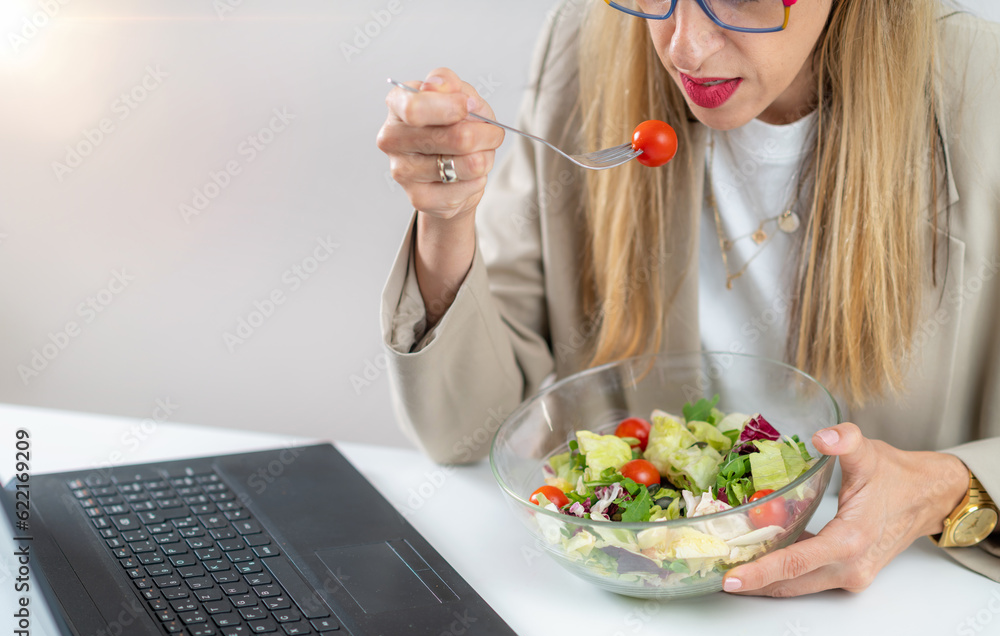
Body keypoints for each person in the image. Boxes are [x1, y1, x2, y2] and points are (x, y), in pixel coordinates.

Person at [376, 0, 1000, 597]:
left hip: (896, 607)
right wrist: (447, 220)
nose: (685, 49)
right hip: (637, 602)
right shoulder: (582, 46)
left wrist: (945, 489)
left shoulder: (983, 92)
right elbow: (464, 428)